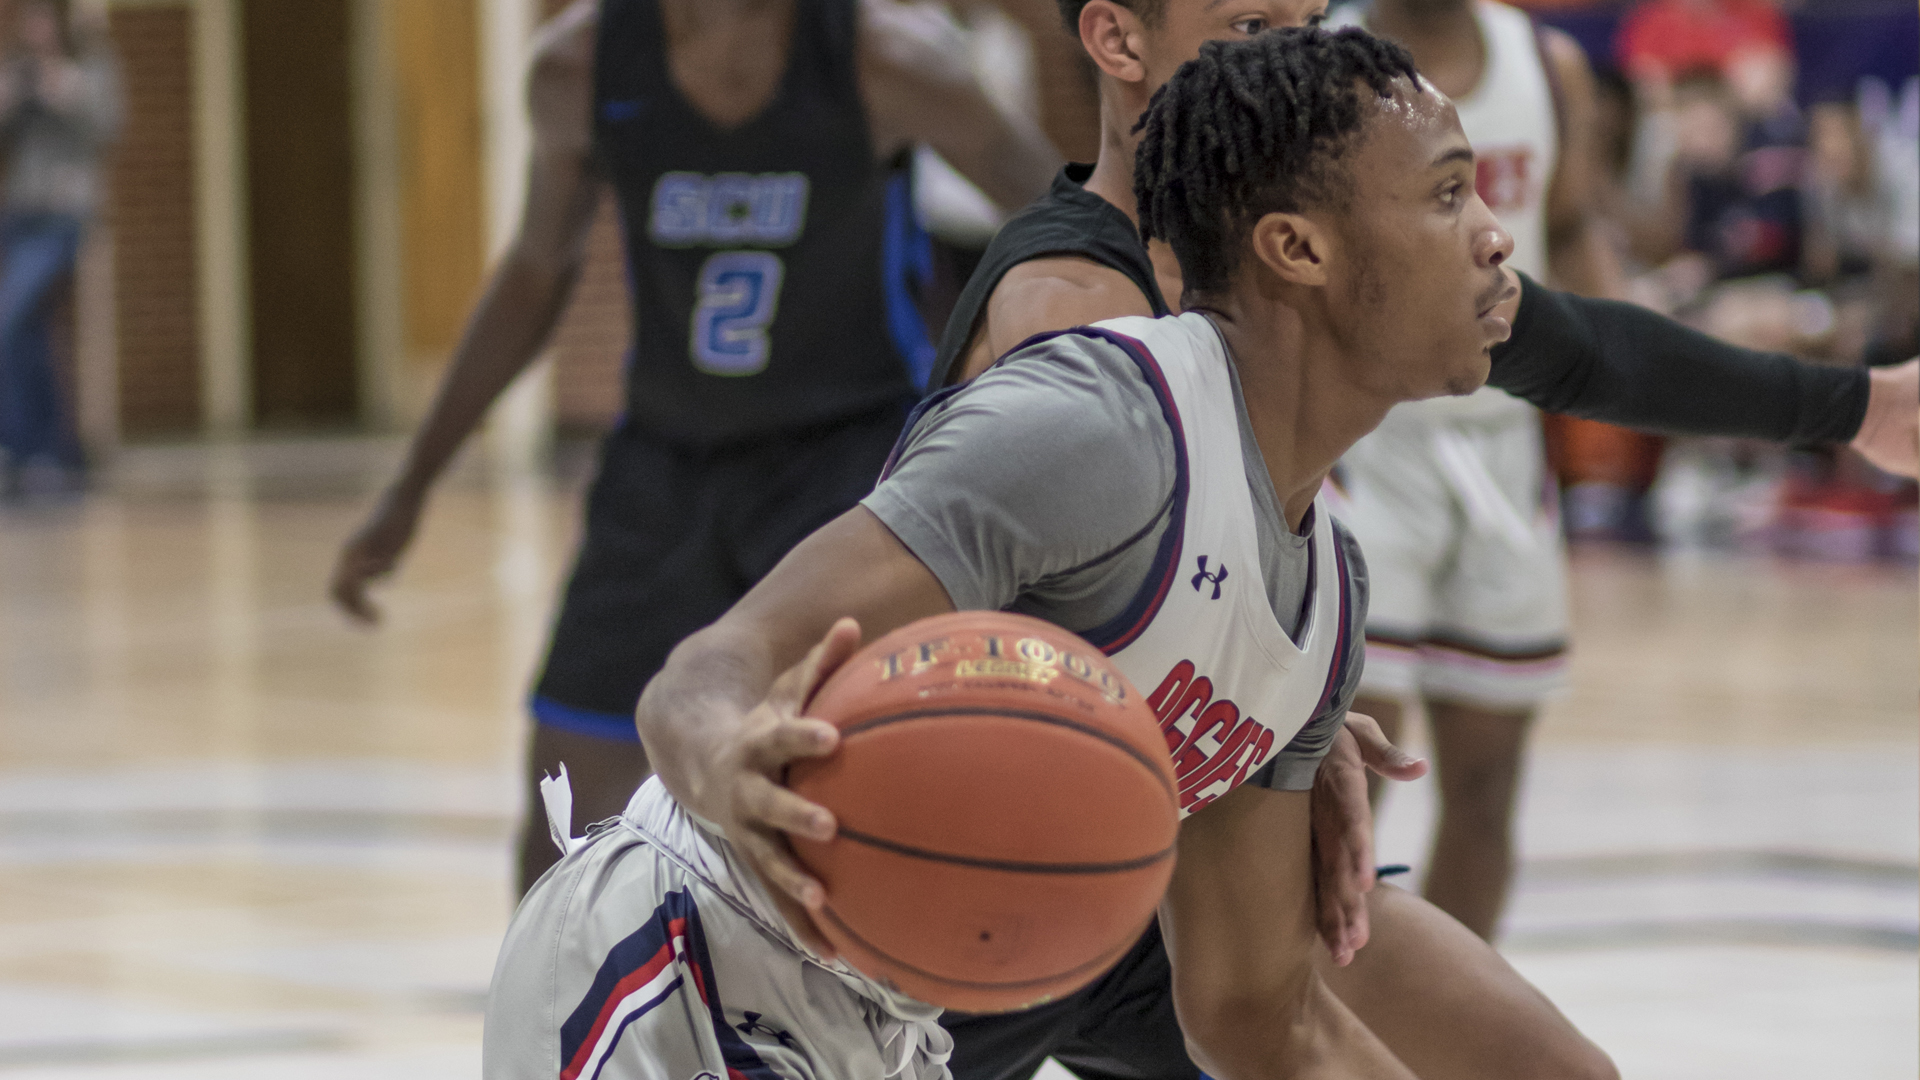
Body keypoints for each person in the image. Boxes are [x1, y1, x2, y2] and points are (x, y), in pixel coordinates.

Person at [489, 29, 1582, 1078]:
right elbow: (708, 668)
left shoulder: (1327, 591)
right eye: (1449, 194)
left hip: (892, 1025)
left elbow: (1255, 1020)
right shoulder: (1104, 425)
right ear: (1297, 248)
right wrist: (723, 753)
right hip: (680, 967)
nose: (1496, 235)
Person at [920, 1, 1914, 1076]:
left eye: (1308, 17)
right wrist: (1281, 718)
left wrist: (1859, 406)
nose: (1297, 53)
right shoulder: (1072, 316)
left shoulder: (1332, 248)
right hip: (990, 872)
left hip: (1196, 876)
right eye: (1254, 23)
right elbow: (1007, 632)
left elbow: (1577, 348)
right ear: (1119, 43)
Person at [328, 0, 1058, 891]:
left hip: (849, 466)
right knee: (565, 818)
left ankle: (859, 1022)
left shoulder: (889, 57)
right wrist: (411, 485)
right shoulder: (581, 64)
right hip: (665, 467)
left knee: (851, 806)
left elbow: (1060, 221)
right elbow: (533, 269)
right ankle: (565, 1019)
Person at [1321, 0, 1623, 939]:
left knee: (1488, 782)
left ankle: (1446, 1040)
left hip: (1504, 442)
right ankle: (1322, 1033)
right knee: (1352, 786)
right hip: (1363, 440)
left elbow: (1569, 232)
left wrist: (1639, 373)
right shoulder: (1322, 59)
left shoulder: (1547, 64)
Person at [0, 0, 118, 497]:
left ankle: (32, 446)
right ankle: (46, 451)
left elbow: (109, 125)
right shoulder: (16, 72)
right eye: (29, 19)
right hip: (19, 214)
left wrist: (60, 87)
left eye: (44, 18)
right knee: (27, 333)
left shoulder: (91, 67)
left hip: (63, 216)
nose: (36, 28)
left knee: (10, 319)